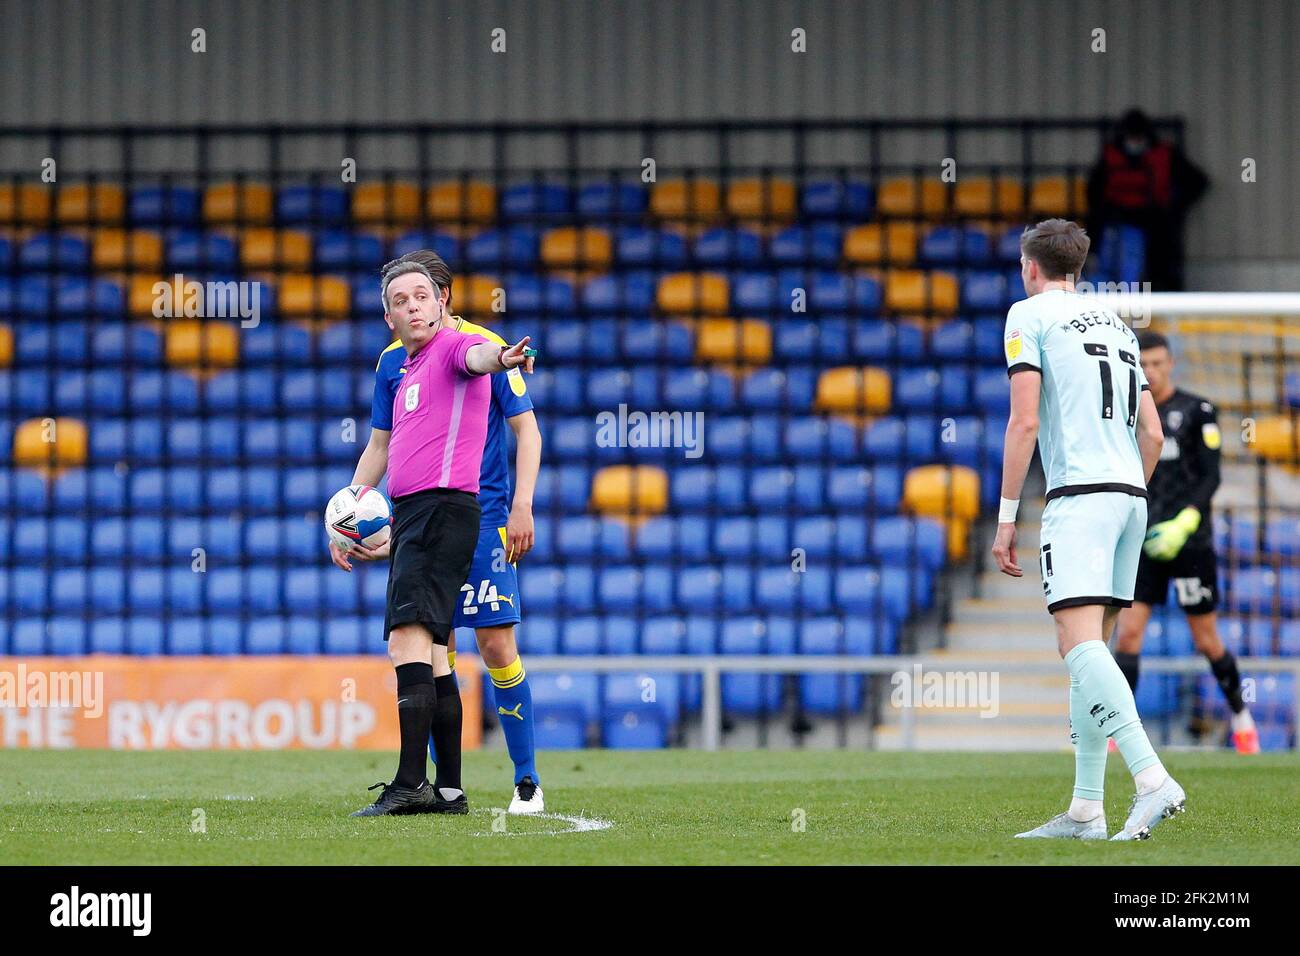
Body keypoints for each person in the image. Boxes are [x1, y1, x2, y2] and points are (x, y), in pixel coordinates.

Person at [992, 218, 1186, 841]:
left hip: (1080, 496)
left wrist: (1004, 519)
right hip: (1131, 494)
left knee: (1078, 645)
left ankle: (1153, 779)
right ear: (1077, 268)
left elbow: (1024, 424)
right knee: (1088, 647)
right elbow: (1152, 433)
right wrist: (1130, 493)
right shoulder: (1120, 327)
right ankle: (1085, 809)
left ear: (1030, 267)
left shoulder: (1027, 315)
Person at [334, 249, 547, 813]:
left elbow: (524, 426)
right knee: (436, 649)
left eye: (425, 295)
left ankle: (525, 779)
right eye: (400, 300)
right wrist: (352, 508)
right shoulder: (392, 364)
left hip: (480, 513)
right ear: (391, 314)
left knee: (494, 643)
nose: (417, 307)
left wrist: (522, 505)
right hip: (416, 511)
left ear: (443, 299)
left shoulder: (468, 344)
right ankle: (444, 785)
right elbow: (379, 445)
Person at [1112, 330, 1258, 753]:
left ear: (1170, 363)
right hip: (1143, 540)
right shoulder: (1127, 412)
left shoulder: (1198, 410)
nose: (1151, 372)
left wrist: (1185, 521)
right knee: (1128, 636)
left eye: (1157, 363)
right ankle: (1120, 733)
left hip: (1191, 542)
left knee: (1206, 639)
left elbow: (1211, 475)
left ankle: (1242, 720)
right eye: (1143, 364)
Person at [1086, 108, 1208, 291]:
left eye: (1138, 136)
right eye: (1131, 136)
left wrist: (1175, 207)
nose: (1135, 141)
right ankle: (1105, 288)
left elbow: (1197, 182)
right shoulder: (1110, 155)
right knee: (1104, 247)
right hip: (1115, 218)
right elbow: (1093, 191)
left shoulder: (1164, 154)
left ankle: (1159, 294)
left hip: (1152, 218)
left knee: (1161, 255)